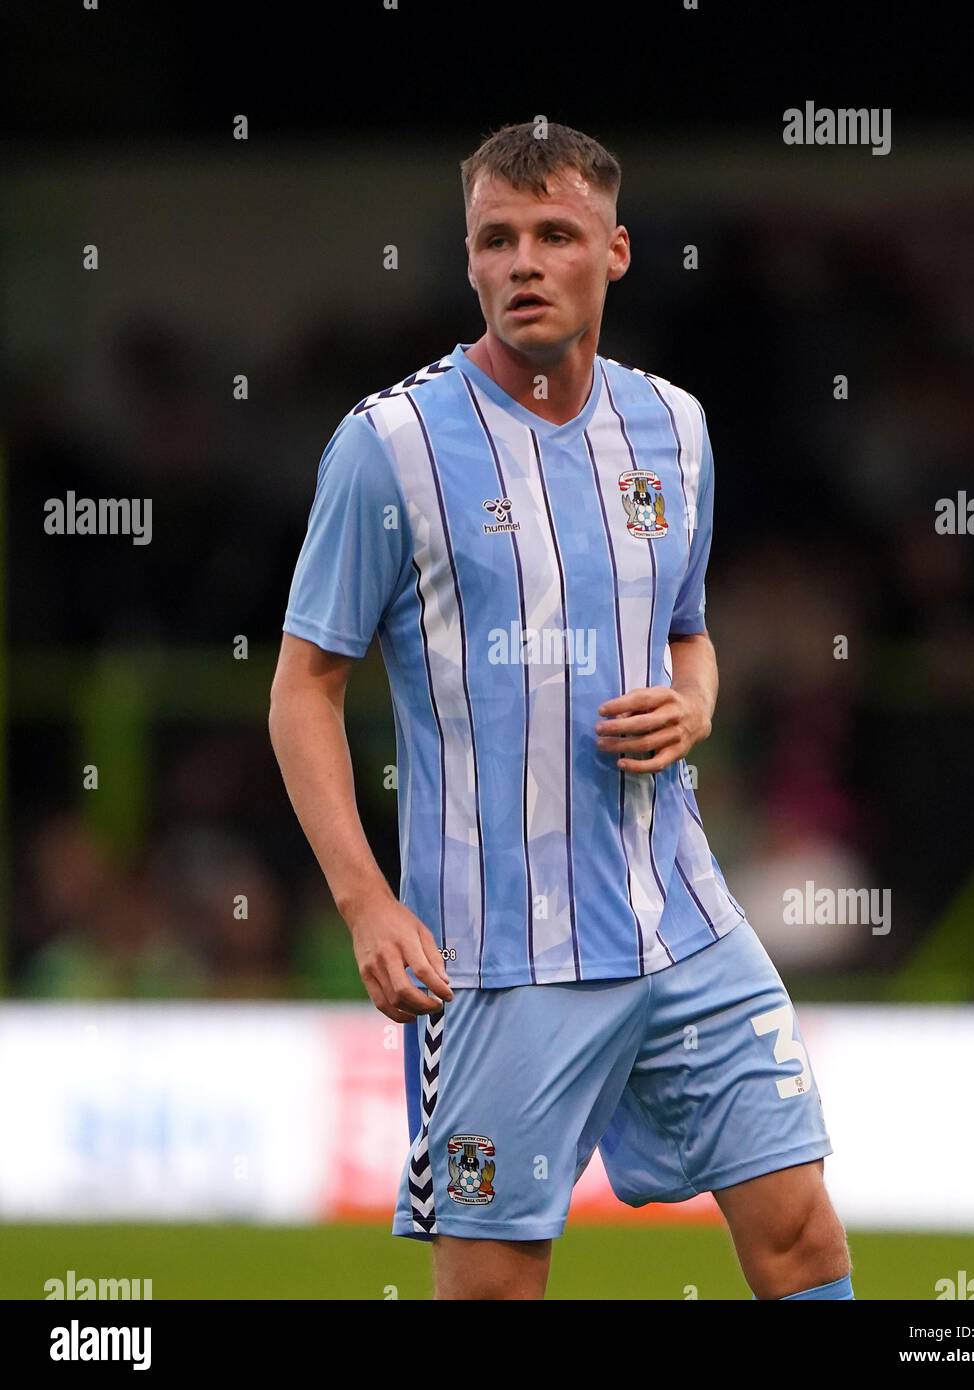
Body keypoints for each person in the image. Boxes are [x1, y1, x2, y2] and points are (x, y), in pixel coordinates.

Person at [269, 120, 853, 1301]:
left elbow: (690, 637)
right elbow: (302, 689)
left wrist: (693, 701)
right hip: (495, 955)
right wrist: (365, 901)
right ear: (470, 261)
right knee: (493, 1284)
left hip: (683, 921)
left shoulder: (673, 428)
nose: (522, 260)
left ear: (616, 252)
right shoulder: (390, 448)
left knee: (800, 1240)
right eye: (496, 238)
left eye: (554, 234)